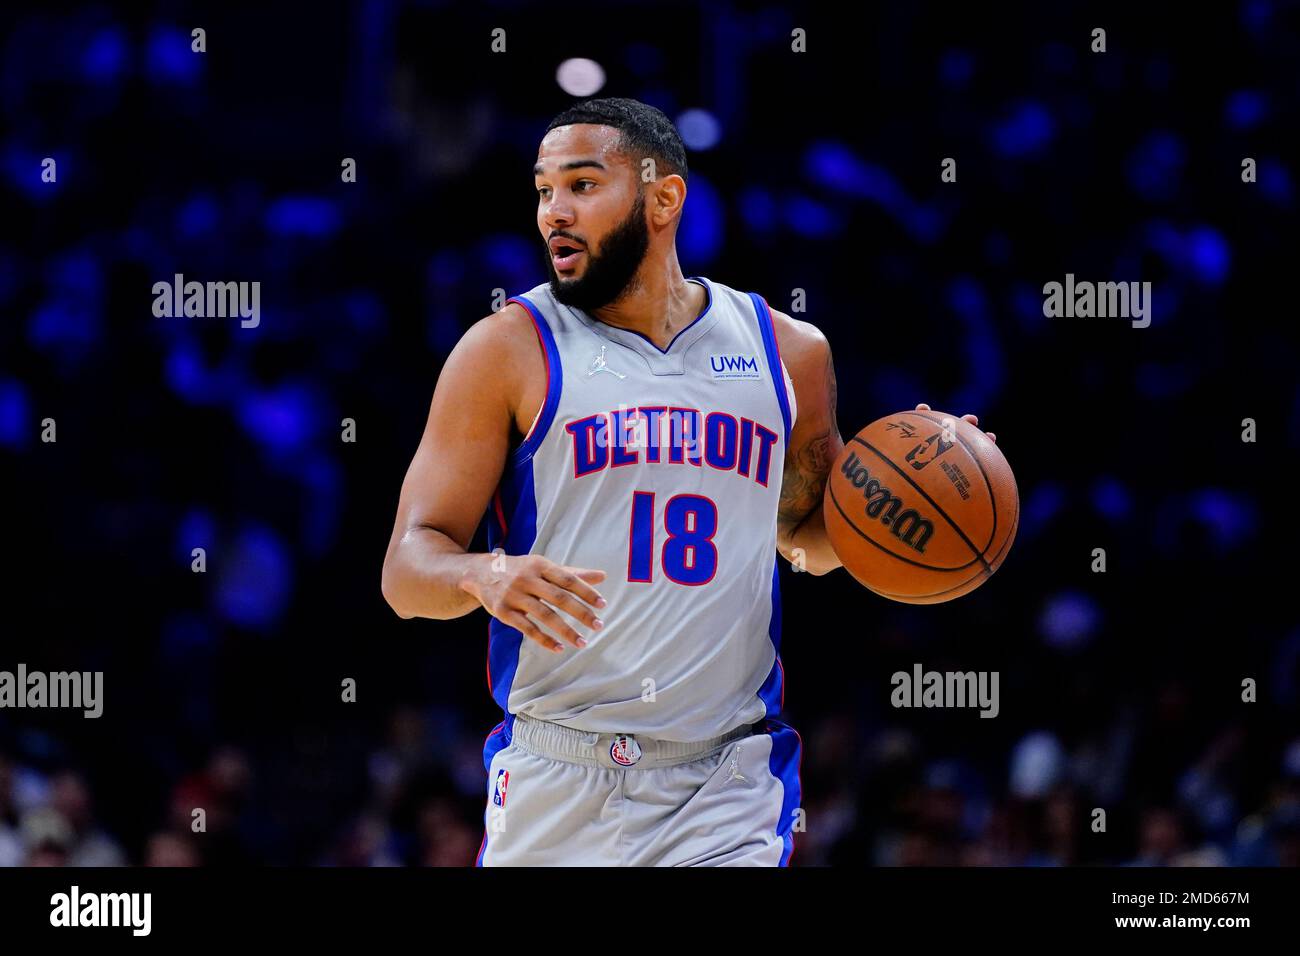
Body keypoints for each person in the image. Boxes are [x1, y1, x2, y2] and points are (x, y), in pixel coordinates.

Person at [381, 97, 993, 865]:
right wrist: (482, 573)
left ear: (663, 197)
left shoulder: (788, 352)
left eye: (581, 185)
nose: (553, 214)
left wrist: (929, 477)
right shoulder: (506, 350)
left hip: (725, 784)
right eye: (543, 191)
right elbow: (407, 571)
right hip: (556, 774)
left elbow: (809, 538)